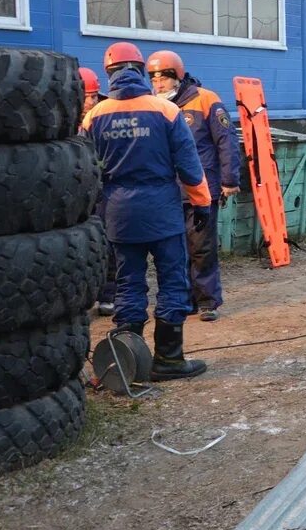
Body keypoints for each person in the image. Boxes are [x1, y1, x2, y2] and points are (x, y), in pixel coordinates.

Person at [83, 42, 211, 380]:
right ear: (140, 70)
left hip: (118, 215)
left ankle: (129, 361)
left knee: (128, 283)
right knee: (172, 281)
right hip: (162, 212)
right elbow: (189, 164)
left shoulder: (94, 116)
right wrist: (202, 202)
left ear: (108, 73)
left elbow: (84, 170)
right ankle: (168, 361)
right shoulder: (166, 111)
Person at [145, 51, 241, 322]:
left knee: (202, 246)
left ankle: (208, 300)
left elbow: (226, 140)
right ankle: (185, 299)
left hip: (202, 188)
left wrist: (229, 180)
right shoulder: (153, 105)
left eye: (163, 77)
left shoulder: (206, 99)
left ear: (176, 76)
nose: (158, 83)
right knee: (176, 249)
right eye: (153, 78)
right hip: (168, 191)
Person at [80, 66, 115, 318]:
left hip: (104, 192)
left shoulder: (105, 116)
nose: (91, 101)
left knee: (108, 244)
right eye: (86, 96)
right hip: (76, 194)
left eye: (94, 96)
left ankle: (108, 295)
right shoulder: (60, 121)